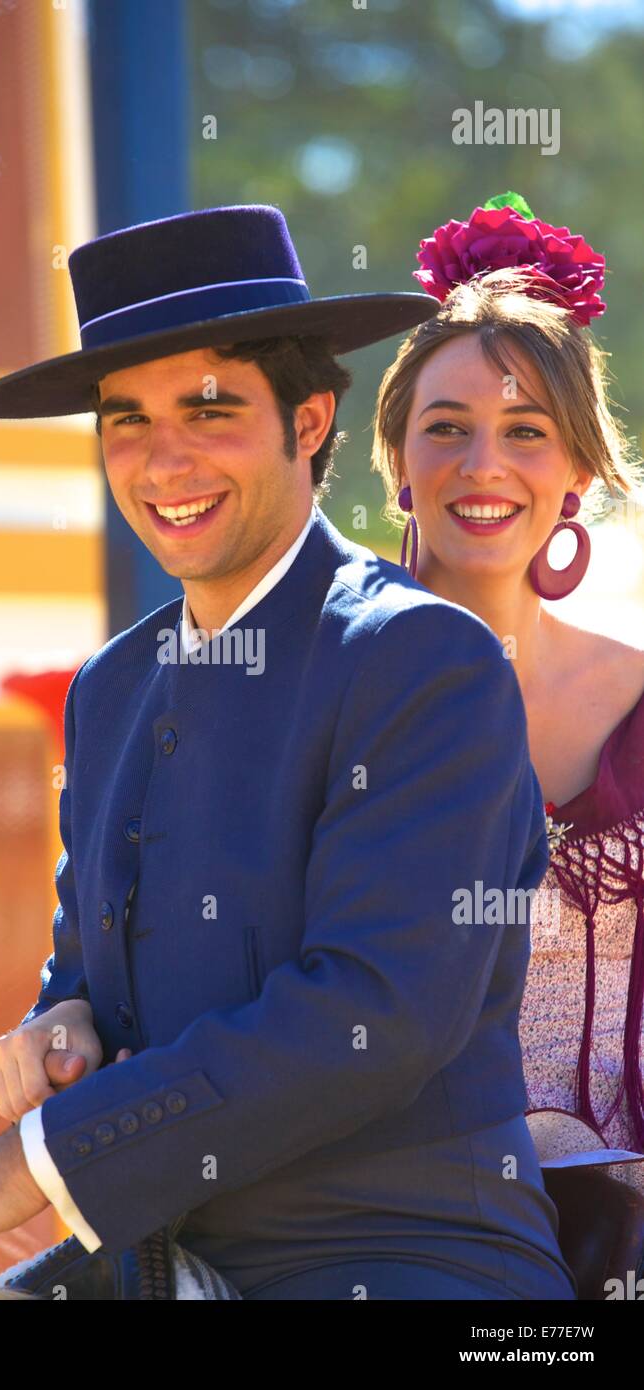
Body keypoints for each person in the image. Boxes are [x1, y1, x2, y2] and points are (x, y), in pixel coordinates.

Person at [0, 203, 576, 1300]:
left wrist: (19, 1170)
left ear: (307, 419)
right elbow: (83, 968)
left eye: (209, 407)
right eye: (125, 421)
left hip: (400, 1257)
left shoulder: (424, 659)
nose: (160, 458)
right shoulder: (112, 686)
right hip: (144, 1263)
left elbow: (372, 1009)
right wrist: (55, 1027)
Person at [371, 193, 644, 1191]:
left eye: (524, 430)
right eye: (445, 428)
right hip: (391, 1218)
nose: (482, 465)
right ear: (399, 463)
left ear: (574, 469)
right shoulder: (322, 696)